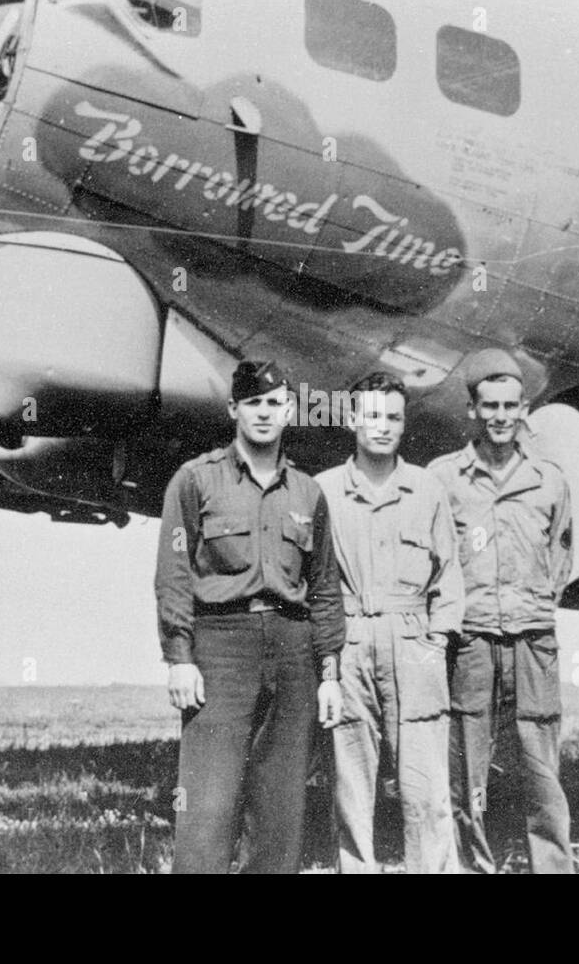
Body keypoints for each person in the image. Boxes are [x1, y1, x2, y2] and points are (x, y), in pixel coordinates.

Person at [154, 359, 345, 873]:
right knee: (208, 802)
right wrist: (179, 657)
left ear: (289, 410)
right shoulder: (195, 481)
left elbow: (325, 587)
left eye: (274, 403)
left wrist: (330, 672)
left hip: (293, 648)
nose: (264, 413)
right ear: (234, 409)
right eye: (254, 403)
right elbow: (173, 574)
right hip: (221, 646)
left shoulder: (308, 493)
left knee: (281, 806)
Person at [428, 349, 574, 874]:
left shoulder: (550, 481)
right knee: (468, 767)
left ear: (524, 409)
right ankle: (474, 868)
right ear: (472, 409)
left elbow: (560, 556)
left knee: (542, 770)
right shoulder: (444, 479)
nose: (500, 416)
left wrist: (531, 606)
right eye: (489, 405)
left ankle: (553, 867)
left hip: (533, 642)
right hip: (471, 643)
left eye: (511, 405)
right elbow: (434, 559)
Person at [315, 372, 465, 873]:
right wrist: (329, 664)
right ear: (353, 419)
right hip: (350, 641)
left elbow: (449, 578)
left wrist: (436, 643)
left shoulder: (427, 490)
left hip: (414, 644)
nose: (383, 427)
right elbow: (315, 586)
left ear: (404, 425)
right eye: (373, 415)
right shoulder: (325, 493)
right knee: (351, 785)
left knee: (426, 789)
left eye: (394, 418)